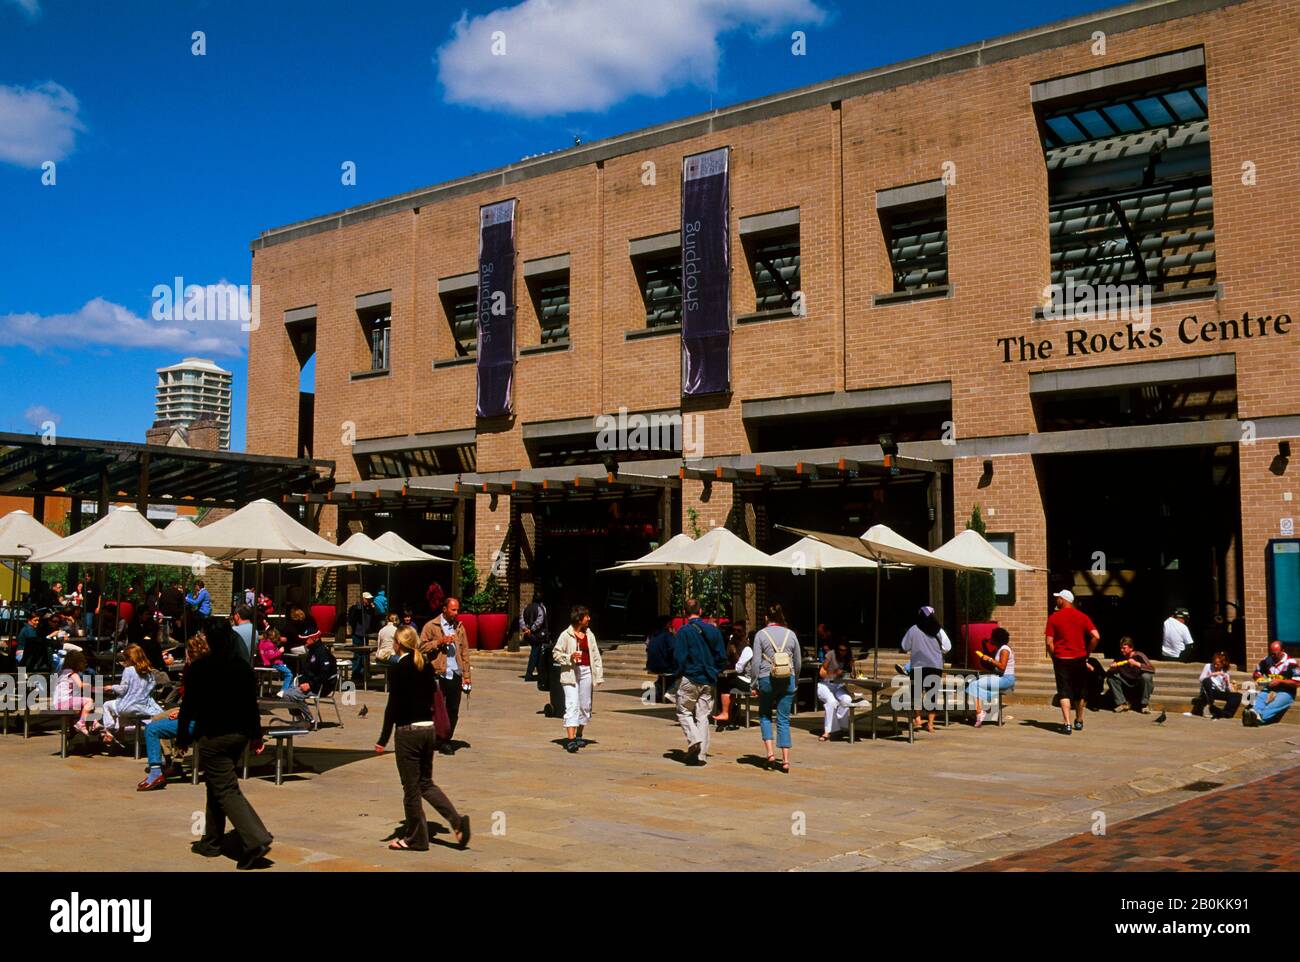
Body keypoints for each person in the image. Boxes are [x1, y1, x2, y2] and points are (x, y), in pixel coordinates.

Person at [177, 619, 273, 869]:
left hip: (214, 735)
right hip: (239, 734)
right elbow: (252, 705)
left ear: (208, 639)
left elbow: (188, 707)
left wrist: (182, 738)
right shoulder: (242, 667)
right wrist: (256, 734)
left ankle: (255, 839)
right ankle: (211, 841)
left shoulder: (200, 668)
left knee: (226, 789)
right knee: (216, 785)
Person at [375, 626, 470, 851]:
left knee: (410, 788)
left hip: (408, 732)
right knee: (426, 783)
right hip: (428, 729)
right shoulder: (425, 666)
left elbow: (393, 706)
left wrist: (383, 738)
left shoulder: (399, 669)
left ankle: (416, 838)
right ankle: (457, 822)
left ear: (399, 643)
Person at [138, 632, 210, 790]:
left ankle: (157, 772)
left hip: (200, 718)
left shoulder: (199, 672)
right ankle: (171, 761)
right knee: (158, 719)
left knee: (152, 730)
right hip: (197, 712)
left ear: (191, 653)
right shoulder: (206, 668)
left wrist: (184, 712)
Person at [672, 599, 728, 765]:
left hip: (690, 676)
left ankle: (694, 739)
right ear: (701, 611)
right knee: (703, 716)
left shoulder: (684, 631)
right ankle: (702, 754)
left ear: (684, 612)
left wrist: (677, 674)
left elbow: (679, 657)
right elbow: (722, 656)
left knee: (683, 711)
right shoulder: (713, 630)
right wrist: (715, 671)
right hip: (708, 678)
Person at [418, 596, 473, 753]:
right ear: (444, 609)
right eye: (453, 609)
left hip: (455, 673)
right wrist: (439, 642)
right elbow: (421, 647)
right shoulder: (431, 626)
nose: (456, 613)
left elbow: (464, 652)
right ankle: (437, 738)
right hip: (439, 673)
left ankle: (446, 738)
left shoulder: (460, 627)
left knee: (453, 708)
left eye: (457, 610)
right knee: (437, 708)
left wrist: (466, 675)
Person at [750, 603, 800, 772]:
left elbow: (756, 662)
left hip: (766, 679)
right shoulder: (791, 635)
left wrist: (754, 683)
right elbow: (798, 662)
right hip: (788, 679)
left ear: (766, 618)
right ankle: (785, 760)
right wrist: (796, 679)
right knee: (784, 719)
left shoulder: (760, 635)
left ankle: (770, 754)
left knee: (764, 715)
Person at [1045, 588, 1100, 735]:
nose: (1056, 600)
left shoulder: (1053, 618)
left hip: (1061, 659)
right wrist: (1087, 652)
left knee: (1064, 691)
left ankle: (1067, 723)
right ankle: (1079, 719)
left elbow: (1049, 642)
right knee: (1080, 691)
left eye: (1058, 598)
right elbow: (1096, 636)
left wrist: (1053, 656)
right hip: (1079, 658)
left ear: (1063, 600)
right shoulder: (1082, 617)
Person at [552, 605, 604, 753]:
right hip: (570, 673)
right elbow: (556, 653)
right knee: (572, 704)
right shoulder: (566, 635)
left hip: (586, 671)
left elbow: (595, 656)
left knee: (585, 704)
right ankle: (570, 739)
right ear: (579, 619)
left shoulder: (590, 634)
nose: (589, 618)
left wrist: (598, 675)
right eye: (586, 616)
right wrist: (570, 657)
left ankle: (579, 734)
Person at [900, 605, 951, 734]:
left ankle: (917, 719)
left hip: (917, 665)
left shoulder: (913, 629)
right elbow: (947, 647)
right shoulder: (939, 630)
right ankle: (930, 724)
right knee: (932, 695)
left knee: (916, 693)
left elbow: (904, 646)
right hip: (935, 666)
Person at [100, 644, 162, 745]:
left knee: (106, 705)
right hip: (144, 707)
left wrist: (112, 687)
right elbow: (151, 687)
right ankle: (120, 735)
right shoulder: (149, 671)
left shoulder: (128, 670)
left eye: (125, 659)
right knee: (122, 711)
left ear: (130, 659)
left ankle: (109, 728)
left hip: (127, 706)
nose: (124, 662)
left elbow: (123, 689)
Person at [282, 628, 337, 728]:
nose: (304, 641)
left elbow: (325, 674)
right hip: (310, 684)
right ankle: (300, 719)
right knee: (285, 694)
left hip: (321, 686)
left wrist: (310, 685)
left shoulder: (323, 653)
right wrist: (302, 682)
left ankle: (310, 720)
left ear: (314, 639)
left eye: (307, 639)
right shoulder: (311, 651)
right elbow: (307, 672)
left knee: (294, 695)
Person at [967, 627, 1016, 727]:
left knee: (974, 684)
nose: (990, 639)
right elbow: (987, 656)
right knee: (974, 684)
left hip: (1006, 679)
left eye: (992, 637)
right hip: (1000, 678)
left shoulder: (1005, 650)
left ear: (997, 639)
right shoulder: (999, 649)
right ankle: (980, 711)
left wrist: (989, 659)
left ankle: (979, 712)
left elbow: (1002, 667)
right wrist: (984, 644)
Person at [1244, 641, 1299, 726]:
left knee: (1276, 704)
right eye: (1271, 653)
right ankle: (1254, 714)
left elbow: (1297, 682)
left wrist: (1280, 681)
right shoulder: (1266, 660)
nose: (1273, 656)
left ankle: (1259, 718)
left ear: (1282, 651)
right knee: (1259, 698)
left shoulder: (1291, 663)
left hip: (1286, 691)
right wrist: (1261, 679)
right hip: (1269, 688)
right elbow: (1256, 673)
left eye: (1275, 654)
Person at [712, 619, 750, 727]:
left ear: (744, 632)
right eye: (734, 631)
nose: (736, 633)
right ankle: (729, 712)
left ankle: (728, 713)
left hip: (746, 678)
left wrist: (733, 651)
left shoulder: (747, 646)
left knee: (726, 684)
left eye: (739, 631)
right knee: (723, 683)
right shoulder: (731, 642)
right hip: (735, 674)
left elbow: (739, 666)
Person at [52, 650, 99, 735]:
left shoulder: (62, 672)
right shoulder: (72, 673)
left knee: (85, 705)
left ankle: (94, 722)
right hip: (63, 702)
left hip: (58, 702)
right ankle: (81, 723)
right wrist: (91, 686)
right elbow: (80, 685)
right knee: (89, 701)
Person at [816, 639, 855, 740]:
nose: (842, 652)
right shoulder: (831, 654)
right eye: (840, 650)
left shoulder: (848, 657)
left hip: (839, 685)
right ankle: (827, 731)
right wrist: (833, 674)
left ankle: (838, 725)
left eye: (845, 650)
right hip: (825, 684)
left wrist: (852, 664)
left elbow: (853, 674)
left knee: (847, 700)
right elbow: (822, 672)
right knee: (832, 702)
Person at [1105, 637, 1156, 713]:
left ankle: (1144, 705)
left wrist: (1136, 664)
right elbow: (1109, 673)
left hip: (1139, 684)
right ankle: (1122, 703)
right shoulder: (1119, 657)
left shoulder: (1139, 655)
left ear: (1131, 648)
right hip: (1126, 684)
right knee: (1111, 678)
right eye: (1121, 648)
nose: (1122, 650)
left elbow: (1152, 669)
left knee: (1147, 676)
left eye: (1124, 648)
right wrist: (1112, 669)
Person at [1192, 651, 1241, 719]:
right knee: (1207, 681)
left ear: (1223, 663)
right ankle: (1210, 704)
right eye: (1214, 663)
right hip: (1208, 691)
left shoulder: (1225, 672)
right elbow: (1201, 679)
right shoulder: (1208, 666)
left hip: (1218, 691)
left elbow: (1227, 690)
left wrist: (1227, 683)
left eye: (1218, 664)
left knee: (1237, 695)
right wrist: (1212, 674)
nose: (1215, 666)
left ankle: (1226, 713)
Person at [347, 591, 380, 684]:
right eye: (368, 599)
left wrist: (374, 609)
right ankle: (356, 673)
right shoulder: (356, 608)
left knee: (365, 654)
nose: (370, 601)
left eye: (370, 599)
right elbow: (352, 617)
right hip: (358, 633)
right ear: (363, 599)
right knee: (358, 654)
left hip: (366, 634)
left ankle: (362, 672)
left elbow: (375, 617)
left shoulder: (370, 609)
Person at [645, 613, 676, 703]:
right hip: (664, 665)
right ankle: (670, 692)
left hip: (651, 665)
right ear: (667, 624)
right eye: (670, 623)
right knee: (681, 671)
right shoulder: (667, 635)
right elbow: (674, 648)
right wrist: (674, 635)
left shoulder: (653, 634)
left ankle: (658, 692)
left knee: (663, 676)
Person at [519, 587, 548, 683]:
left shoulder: (526, 607)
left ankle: (541, 673)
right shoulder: (541, 608)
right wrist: (531, 629)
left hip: (529, 635)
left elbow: (521, 619)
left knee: (538, 653)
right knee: (535, 654)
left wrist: (525, 629)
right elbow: (540, 621)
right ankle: (529, 673)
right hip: (537, 635)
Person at [257, 628, 295, 693]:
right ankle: (283, 691)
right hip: (274, 663)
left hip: (268, 662)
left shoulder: (263, 642)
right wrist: (279, 651)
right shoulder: (269, 644)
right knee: (289, 674)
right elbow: (271, 656)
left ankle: (287, 691)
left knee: (289, 673)